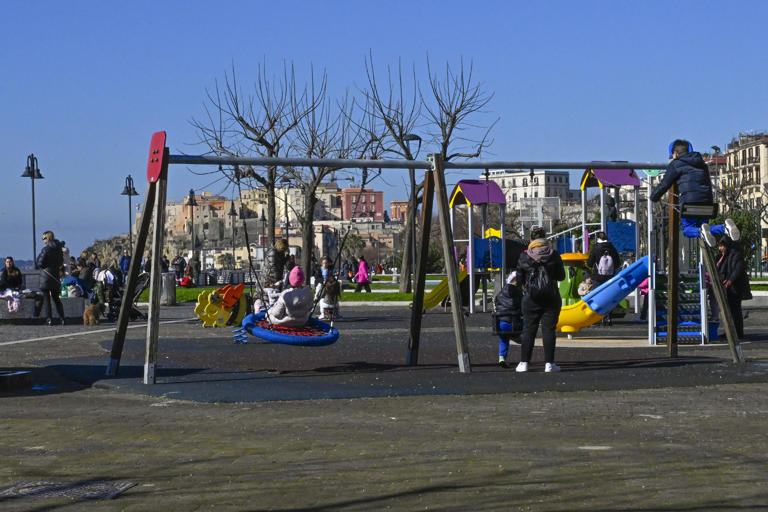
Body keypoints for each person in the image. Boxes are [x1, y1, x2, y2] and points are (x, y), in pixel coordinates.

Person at [650, 139, 740, 246]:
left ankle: (707, 231)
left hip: (690, 204)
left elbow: (664, 184)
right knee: (704, 228)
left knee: (688, 230)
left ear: (675, 153)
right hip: (707, 204)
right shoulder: (702, 163)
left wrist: (653, 197)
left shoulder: (676, 164)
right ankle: (724, 228)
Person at [515, 226, 565, 373]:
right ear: (545, 239)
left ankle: (524, 363)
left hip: (531, 298)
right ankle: (549, 364)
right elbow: (561, 276)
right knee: (549, 330)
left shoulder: (524, 256)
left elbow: (519, 280)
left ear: (531, 240)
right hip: (551, 298)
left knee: (529, 330)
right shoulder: (554, 255)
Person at [716, 237, 750, 340]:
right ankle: (731, 332)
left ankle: (737, 333)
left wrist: (730, 280)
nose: (720, 248)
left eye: (722, 246)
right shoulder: (722, 256)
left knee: (735, 311)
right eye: (719, 246)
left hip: (735, 287)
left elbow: (737, 269)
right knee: (730, 311)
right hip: (727, 287)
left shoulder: (735, 254)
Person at [494, 271, 523, 368]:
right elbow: (523, 309)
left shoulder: (500, 294)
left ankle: (502, 357)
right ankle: (524, 359)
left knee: (504, 339)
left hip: (501, 325)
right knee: (528, 334)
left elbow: (496, 306)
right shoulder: (519, 294)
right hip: (515, 324)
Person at [37, 230, 66, 326]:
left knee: (47, 300)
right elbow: (60, 262)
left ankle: (49, 319)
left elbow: (40, 263)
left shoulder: (46, 249)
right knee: (56, 299)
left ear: (48, 238)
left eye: (44, 238)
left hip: (46, 276)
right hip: (55, 276)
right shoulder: (59, 249)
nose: (42, 240)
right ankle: (62, 318)